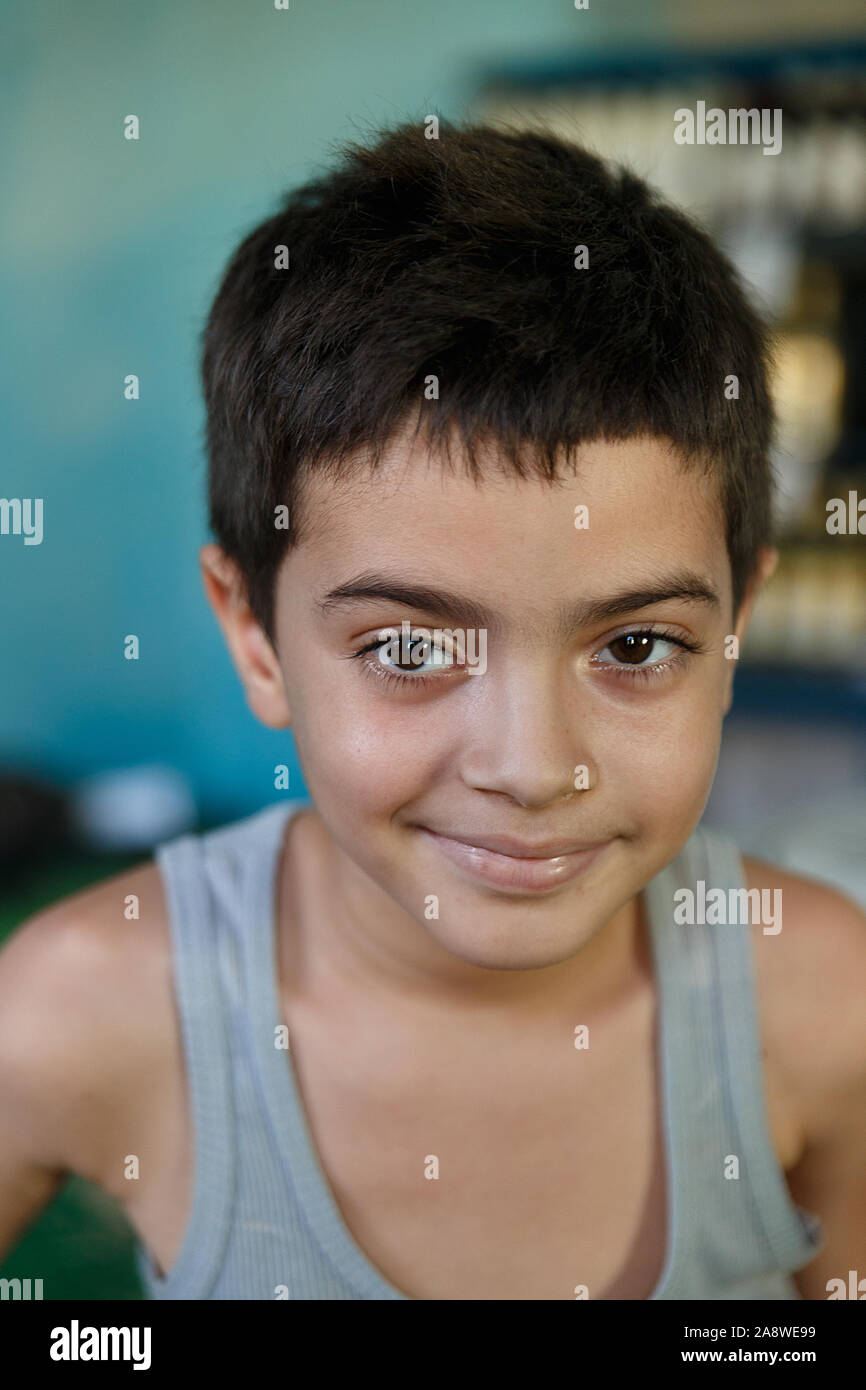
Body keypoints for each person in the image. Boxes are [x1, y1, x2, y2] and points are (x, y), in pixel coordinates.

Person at [2, 120, 864, 1301]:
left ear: (731, 634)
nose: (530, 765)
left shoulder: (822, 1007)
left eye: (634, 644)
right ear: (252, 633)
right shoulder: (85, 1004)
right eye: (408, 646)